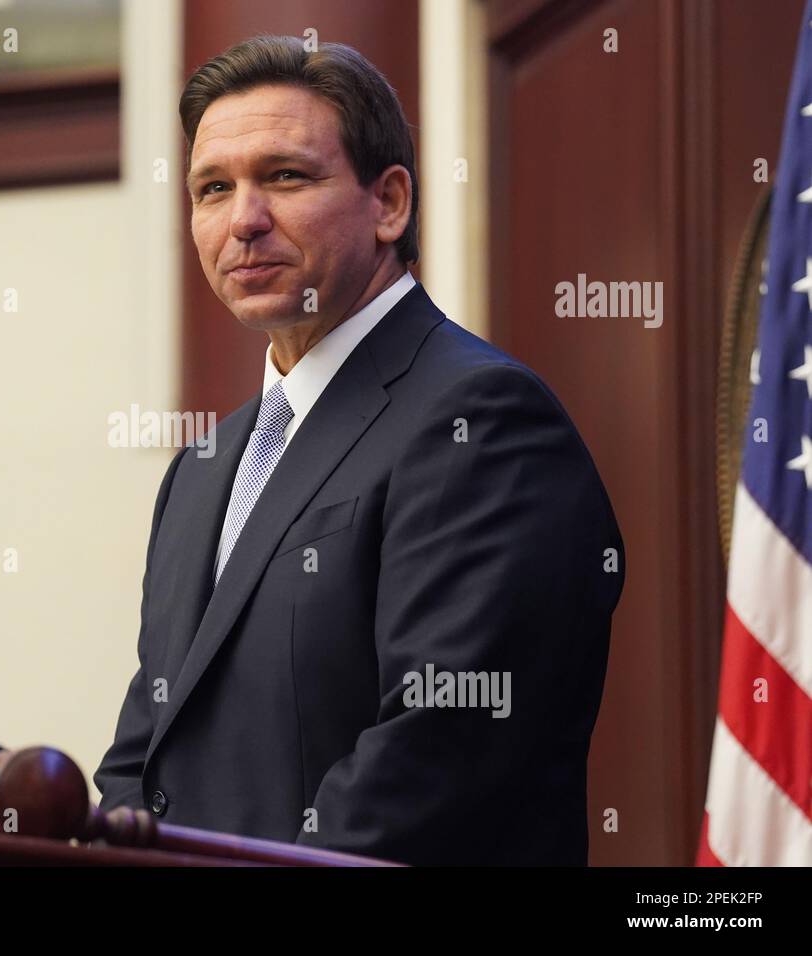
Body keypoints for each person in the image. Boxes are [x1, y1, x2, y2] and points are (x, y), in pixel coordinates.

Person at [94, 36, 625, 865]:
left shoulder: (480, 418)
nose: (244, 220)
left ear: (390, 204)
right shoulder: (201, 470)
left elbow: (436, 754)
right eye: (212, 189)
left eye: (286, 176)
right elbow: (145, 755)